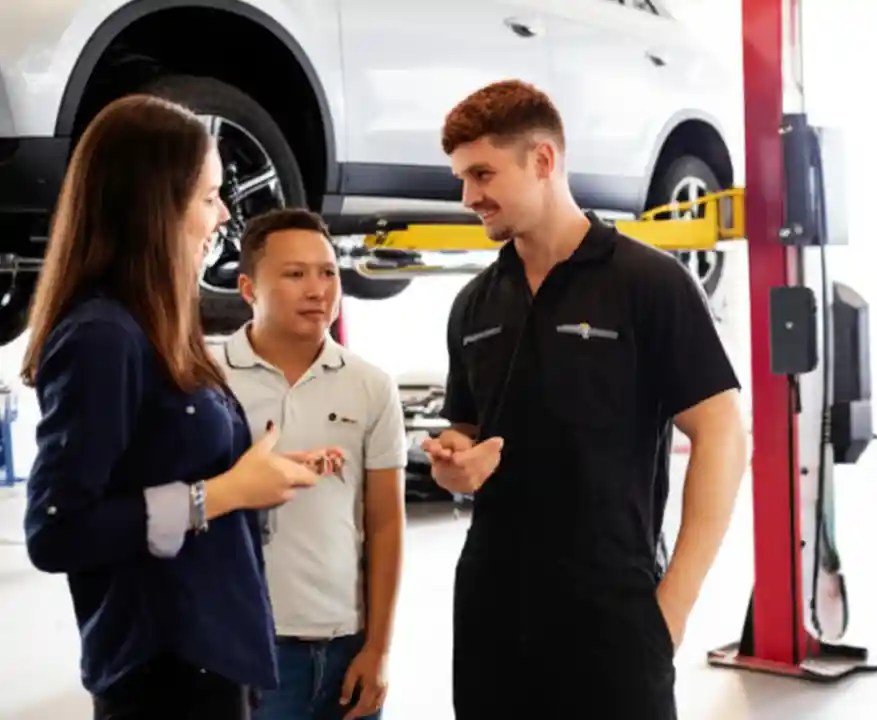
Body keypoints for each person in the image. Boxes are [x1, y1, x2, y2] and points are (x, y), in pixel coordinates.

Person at [424, 79, 749, 719]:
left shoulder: (649, 283)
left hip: (613, 614)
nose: (469, 196)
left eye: (482, 173)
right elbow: (466, 432)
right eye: (462, 177)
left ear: (543, 161)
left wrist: (673, 609)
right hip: (492, 610)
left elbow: (722, 435)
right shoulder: (474, 305)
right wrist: (452, 461)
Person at [20, 94, 332, 719]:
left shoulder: (155, 324)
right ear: (154, 207)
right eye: (207, 195)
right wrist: (222, 495)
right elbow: (56, 530)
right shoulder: (102, 337)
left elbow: (167, 462)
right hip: (163, 676)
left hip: (208, 659)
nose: (222, 214)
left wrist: (257, 477)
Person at [217, 208, 408, 720]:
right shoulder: (206, 380)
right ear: (248, 288)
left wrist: (378, 648)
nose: (318, 288)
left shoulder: (370, 384)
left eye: (328, 272)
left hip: (348, 644)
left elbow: (386, 523)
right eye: (294, 273)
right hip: (249, 648)